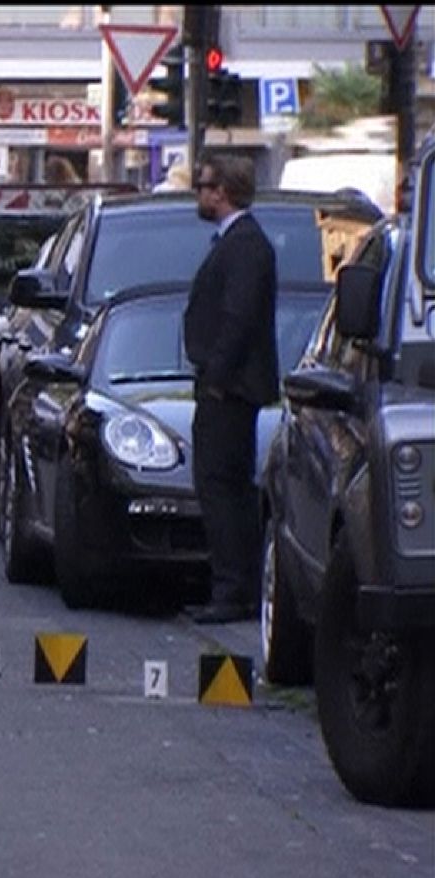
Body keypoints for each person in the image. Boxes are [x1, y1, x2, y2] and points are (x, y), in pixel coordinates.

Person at [182, 154, 277, 624]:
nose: (199, 194)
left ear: (222, 192)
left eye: (202, 186)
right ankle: (235, 586)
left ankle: (233, 589)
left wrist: (216, 379)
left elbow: (238, 317)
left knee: (221, 487)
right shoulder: (236, 242)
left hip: (230, 390)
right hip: (227, 385)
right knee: (224, 486)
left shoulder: (245, 245)